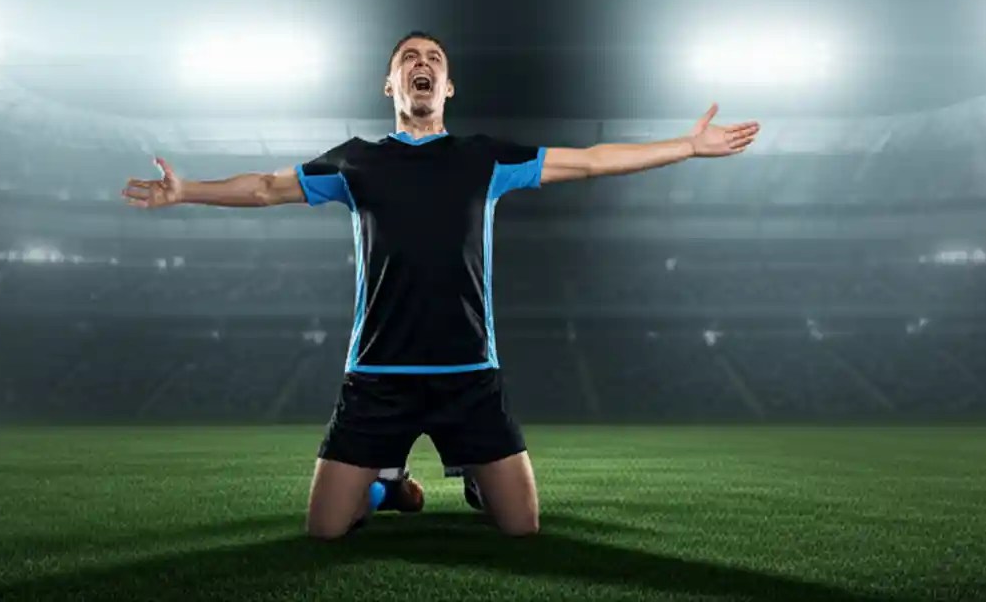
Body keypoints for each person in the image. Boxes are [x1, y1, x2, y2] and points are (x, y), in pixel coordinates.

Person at [121, 31, 760, 539]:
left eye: (433, 59)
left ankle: (479, 479)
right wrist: (187, 193)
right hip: (377, 375)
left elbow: (590, 161)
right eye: (408, 58)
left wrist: (687, 147)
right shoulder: (355, 161)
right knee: (324, 530)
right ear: (391, 83)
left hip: (468, 373)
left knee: (520, 525)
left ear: (447, 86)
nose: (421, 64)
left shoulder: (484, 159)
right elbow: (265, 186)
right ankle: (388, 485)